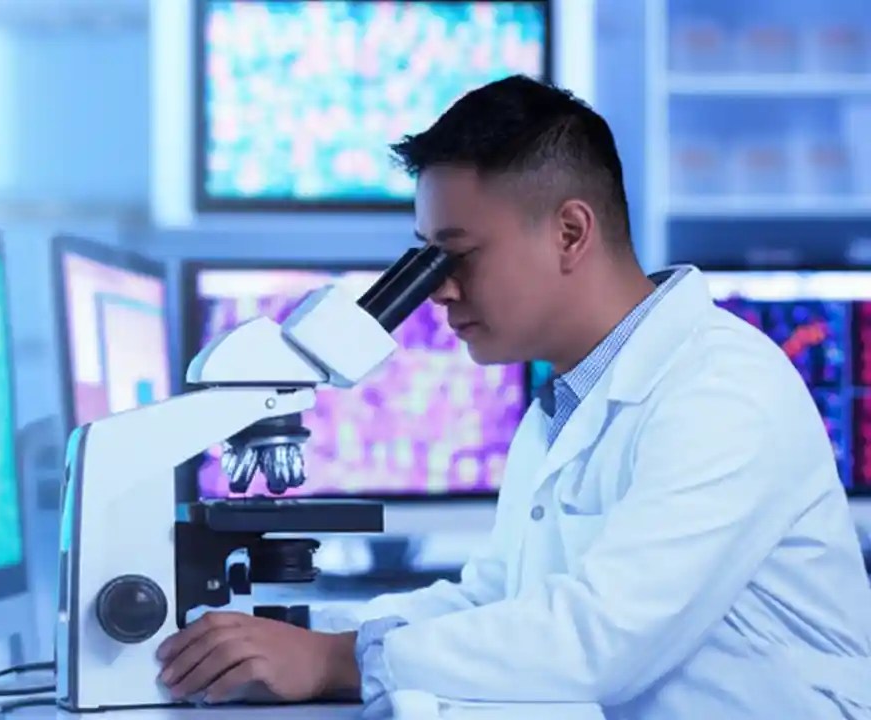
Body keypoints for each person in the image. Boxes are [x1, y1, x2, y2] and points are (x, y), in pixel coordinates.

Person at [155, 75, 871, 718]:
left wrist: (338, 663)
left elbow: (600, 638)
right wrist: (311, 642)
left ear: (569, 233)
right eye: (424, 256)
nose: (437, 288)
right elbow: (499, 600)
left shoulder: (722, 389)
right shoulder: (563, 405)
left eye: (457, 253)